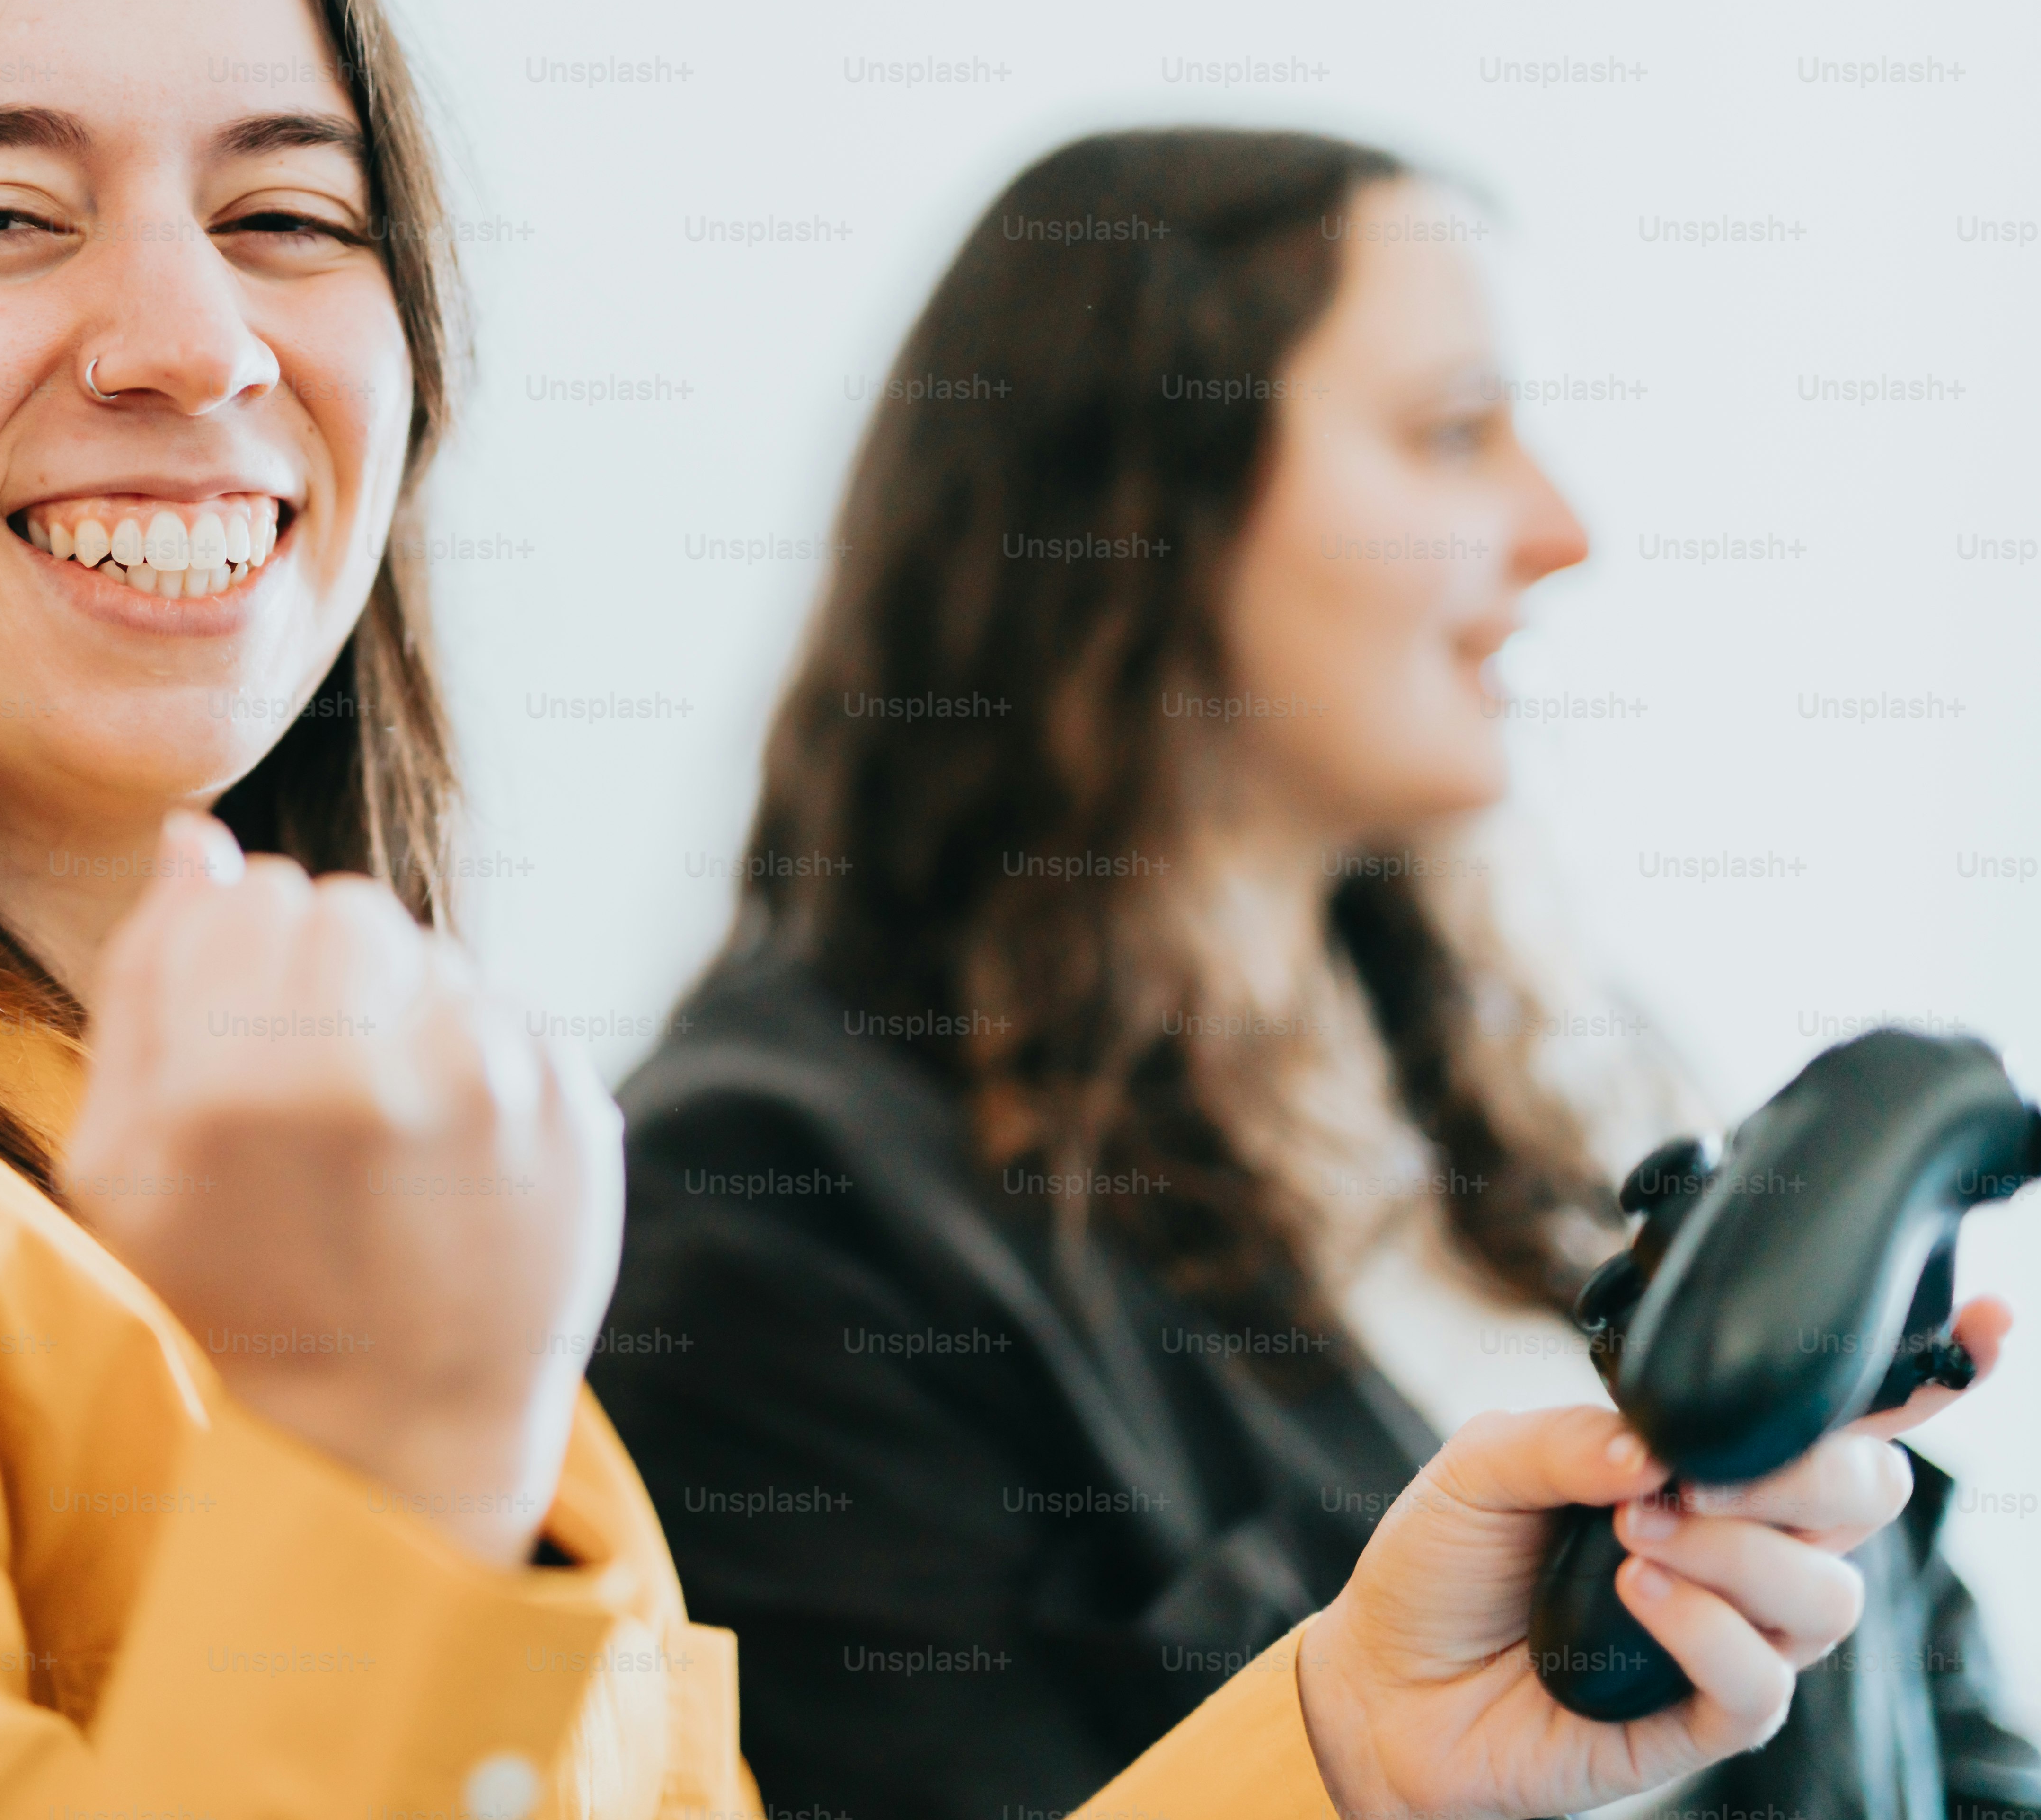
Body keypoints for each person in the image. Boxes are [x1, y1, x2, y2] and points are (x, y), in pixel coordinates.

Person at [0, 0, 1967, 1819]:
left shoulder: (242, 1214)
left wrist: (1342, 1758)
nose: (197, 338)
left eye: (296, 211)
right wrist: (374, 1492)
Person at [588, 127, 2035, 1820]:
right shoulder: (768, 1216)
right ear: (1132, 511)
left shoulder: (1552, 1096)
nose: (1562, 529)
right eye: (1449, 435)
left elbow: (1948, 1736)